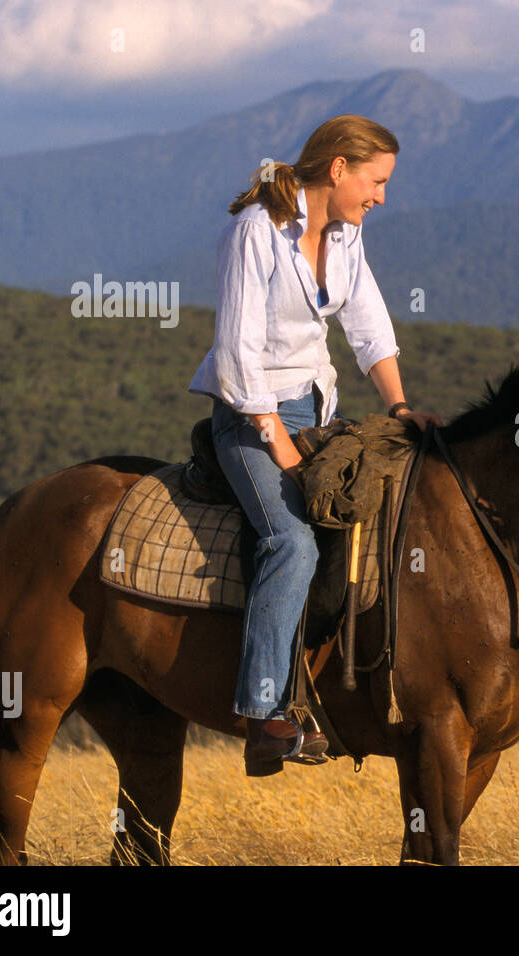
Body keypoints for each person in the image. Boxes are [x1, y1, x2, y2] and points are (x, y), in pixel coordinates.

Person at [188, 114, 442, 776]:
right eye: (377, 181)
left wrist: (400, 406)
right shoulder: (255, 231)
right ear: (339, 169)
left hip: (317, 408)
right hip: (248, 412)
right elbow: (237, 351)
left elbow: (368, 325)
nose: (381, 196)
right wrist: (279, 442)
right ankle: (266, 710)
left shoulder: (345, 233)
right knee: (290, 539)